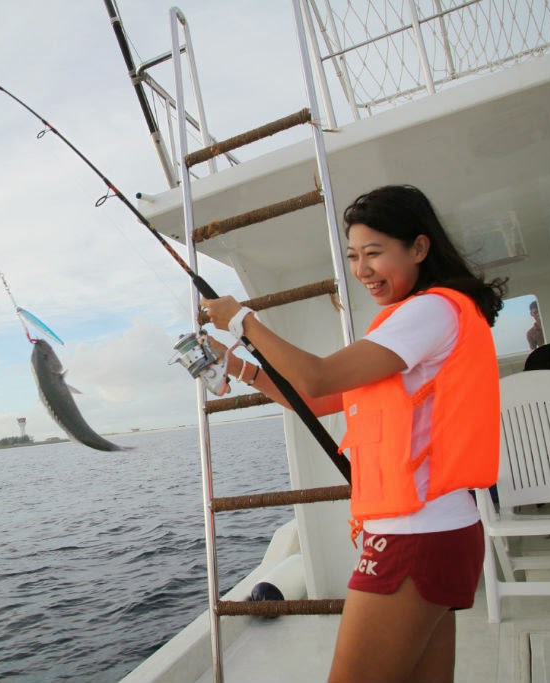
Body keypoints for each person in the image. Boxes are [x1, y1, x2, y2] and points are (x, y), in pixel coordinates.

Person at [201, 184, 507, 683]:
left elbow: (317, 376)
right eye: (353, 256)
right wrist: (236, 365)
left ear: (419, 248)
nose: (362, 269)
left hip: (415, 538)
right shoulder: (420, 321)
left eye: (374, 253)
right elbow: (319, 399)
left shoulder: (428, 312)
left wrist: (242, 320)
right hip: (442, 531)